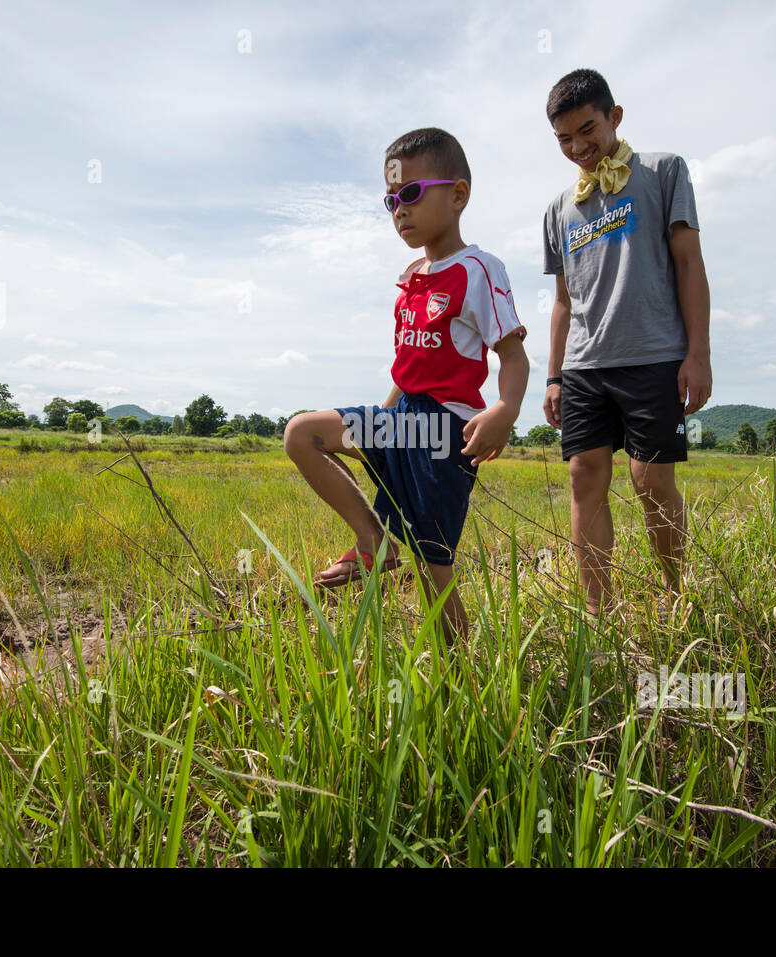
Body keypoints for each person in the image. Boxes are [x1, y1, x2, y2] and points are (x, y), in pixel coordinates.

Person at [285, 127, 529, 640]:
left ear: (458, 194)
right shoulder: (410, 280)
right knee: (302, 433)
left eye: (412, 194)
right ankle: (374, 540)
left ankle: (463, 680)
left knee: (431, 573)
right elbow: (405, 368)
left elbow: (512, 354)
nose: (400, 210)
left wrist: (505, 409)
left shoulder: (478, 270)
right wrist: (379, 434)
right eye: (391, 200)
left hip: (444, 434)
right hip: (401, 421)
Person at [541, 69, 713, 615]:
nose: (578, 147)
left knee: (650, 478)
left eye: (587, 130)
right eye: (564, 139)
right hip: (586, 365)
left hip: (653, 355)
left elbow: (689, 262)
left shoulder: (663, 173)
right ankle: (601, 614)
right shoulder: (558, 210)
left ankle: (675, 596)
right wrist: (553, 375)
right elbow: (564, 301)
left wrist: (698, 353)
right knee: (582, 475)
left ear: (615, 117)